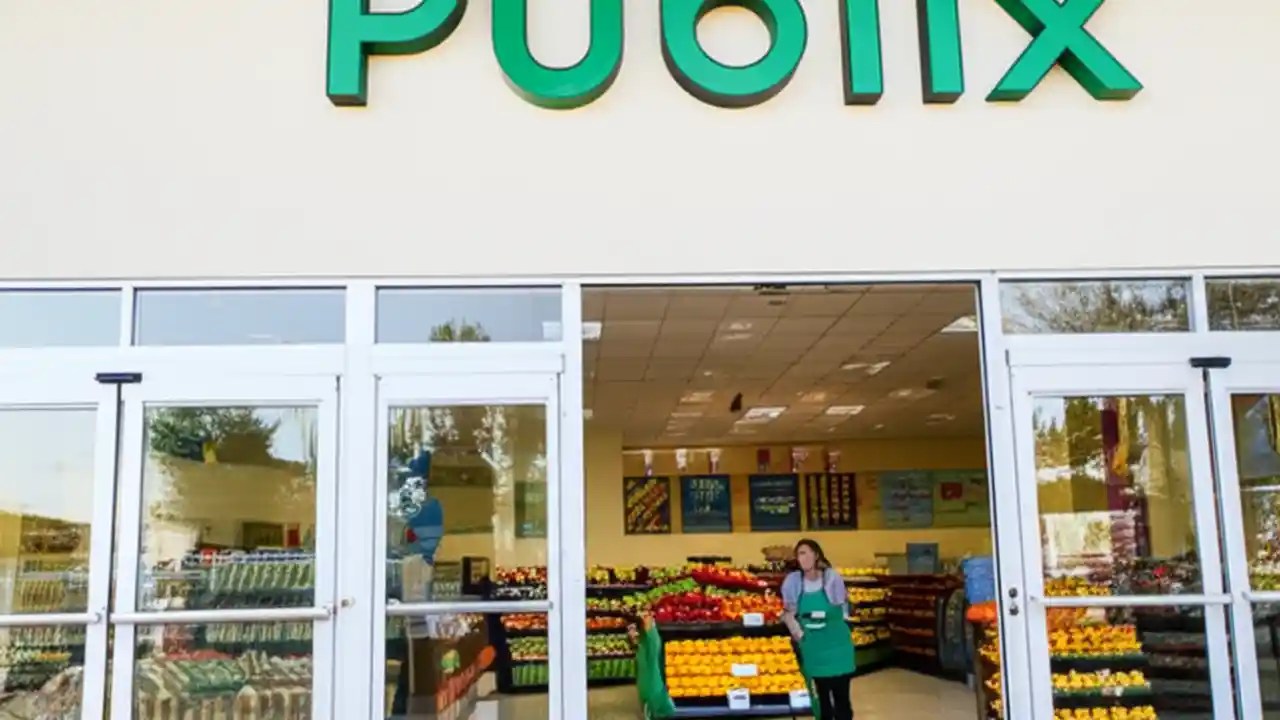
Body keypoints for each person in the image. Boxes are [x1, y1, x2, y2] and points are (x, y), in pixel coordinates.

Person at [781, 539, 855, 720]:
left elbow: (844, 608)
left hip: (837, 646)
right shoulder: (793, 582)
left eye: (806, 553)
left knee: (842, 697)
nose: (803, 558)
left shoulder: (831, 578)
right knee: (821, 699)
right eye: (799, 554)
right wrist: (797, 632)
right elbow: (787, 613)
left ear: (816, 555)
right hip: (813, 648)